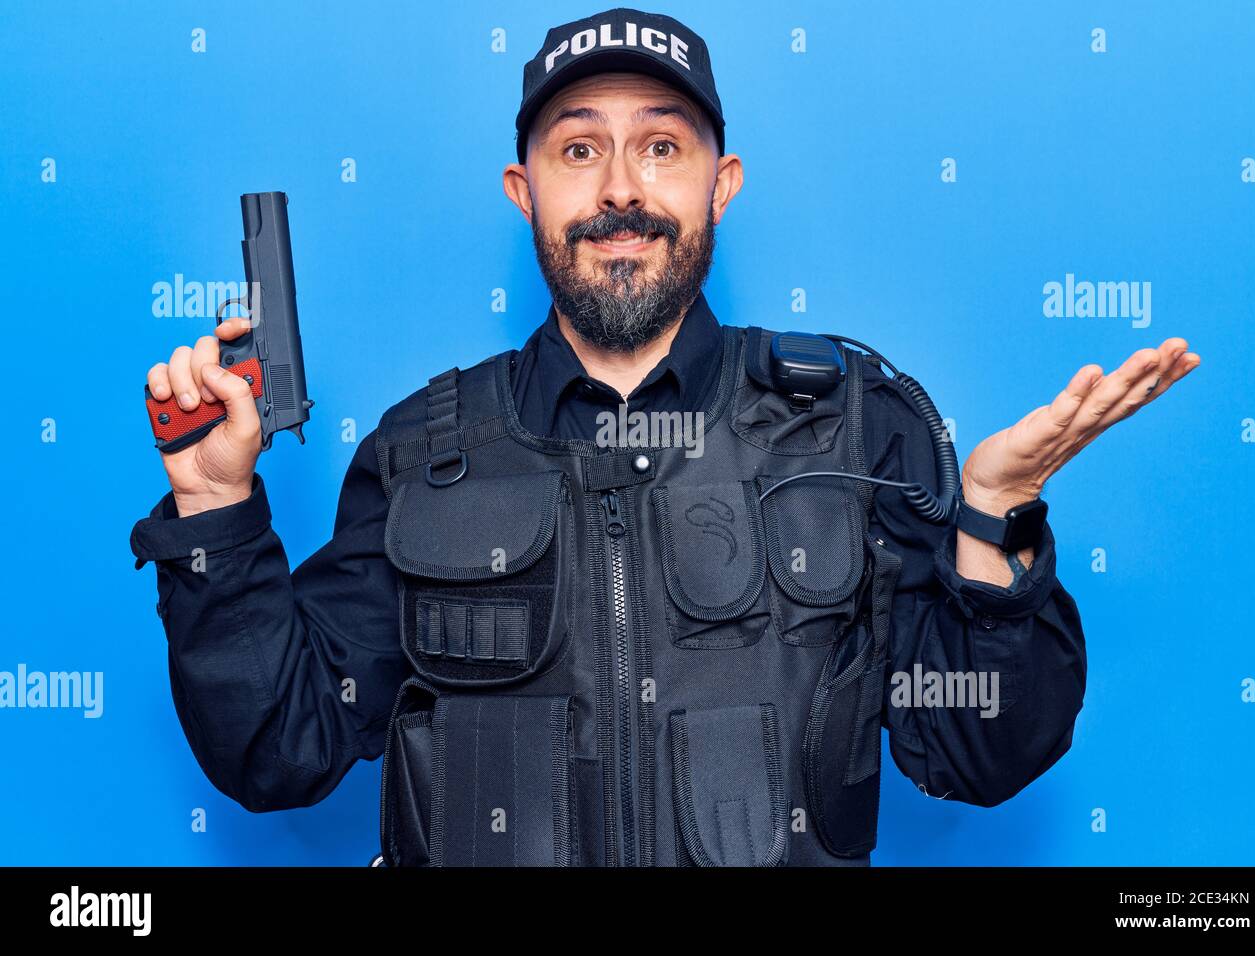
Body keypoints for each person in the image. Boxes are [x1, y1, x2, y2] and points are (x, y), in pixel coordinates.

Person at [130, 8, 1200, 866]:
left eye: (660, 146)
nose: (619, 189)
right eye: (578, 148)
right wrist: (215, 510)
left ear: (718, 185)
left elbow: (982, 753)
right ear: (524, 192)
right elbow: (280, 750)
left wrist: (992, 522)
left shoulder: (856, 427)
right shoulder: (420, 450)